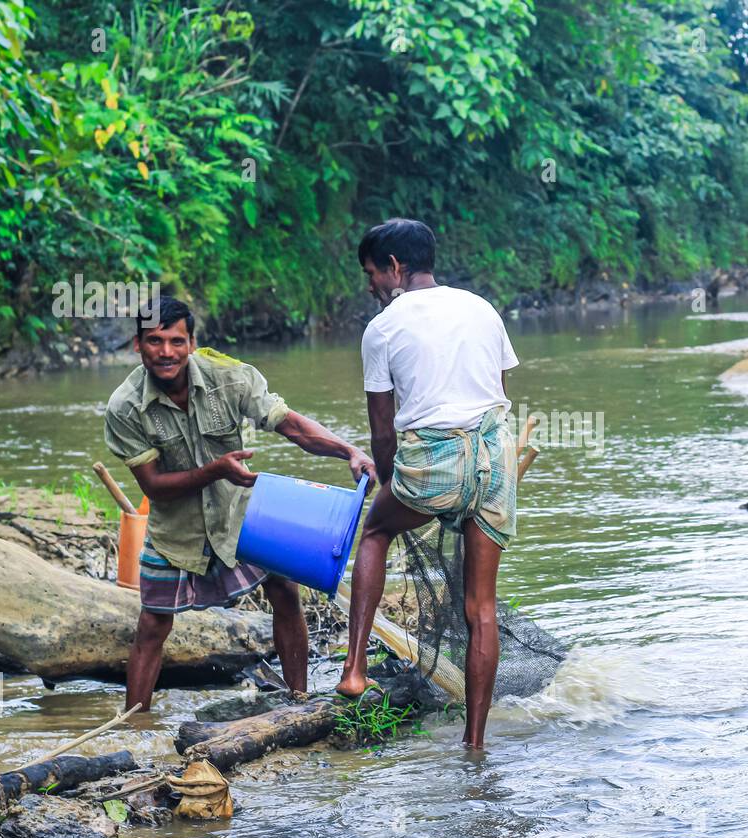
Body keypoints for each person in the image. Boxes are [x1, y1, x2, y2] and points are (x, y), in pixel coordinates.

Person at [103, 295, 375, 713]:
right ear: (138, 346)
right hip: (177, 532)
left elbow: (292, 426)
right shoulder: (125, 407)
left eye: (176, 341)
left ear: (192, 342)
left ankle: (298, 703)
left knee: (284, 590)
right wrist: (215, 470)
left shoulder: (230, 379)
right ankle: (133, 724)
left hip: (240, 515)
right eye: (154, 341)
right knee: (153, 624)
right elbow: (154, 487)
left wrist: (349, 451)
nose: (166, 353)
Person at [336, 218, 519, 750]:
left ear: (395, 267)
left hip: (434, 462)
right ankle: (475, 742)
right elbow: (498, 391)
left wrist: (392, 484)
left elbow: (381, 428)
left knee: (374, 532)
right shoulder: (481, 307)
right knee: (480, 607)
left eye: (372, 273)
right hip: (493, 461)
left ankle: (353, 670)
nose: (371, 285)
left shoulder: (383, 328)